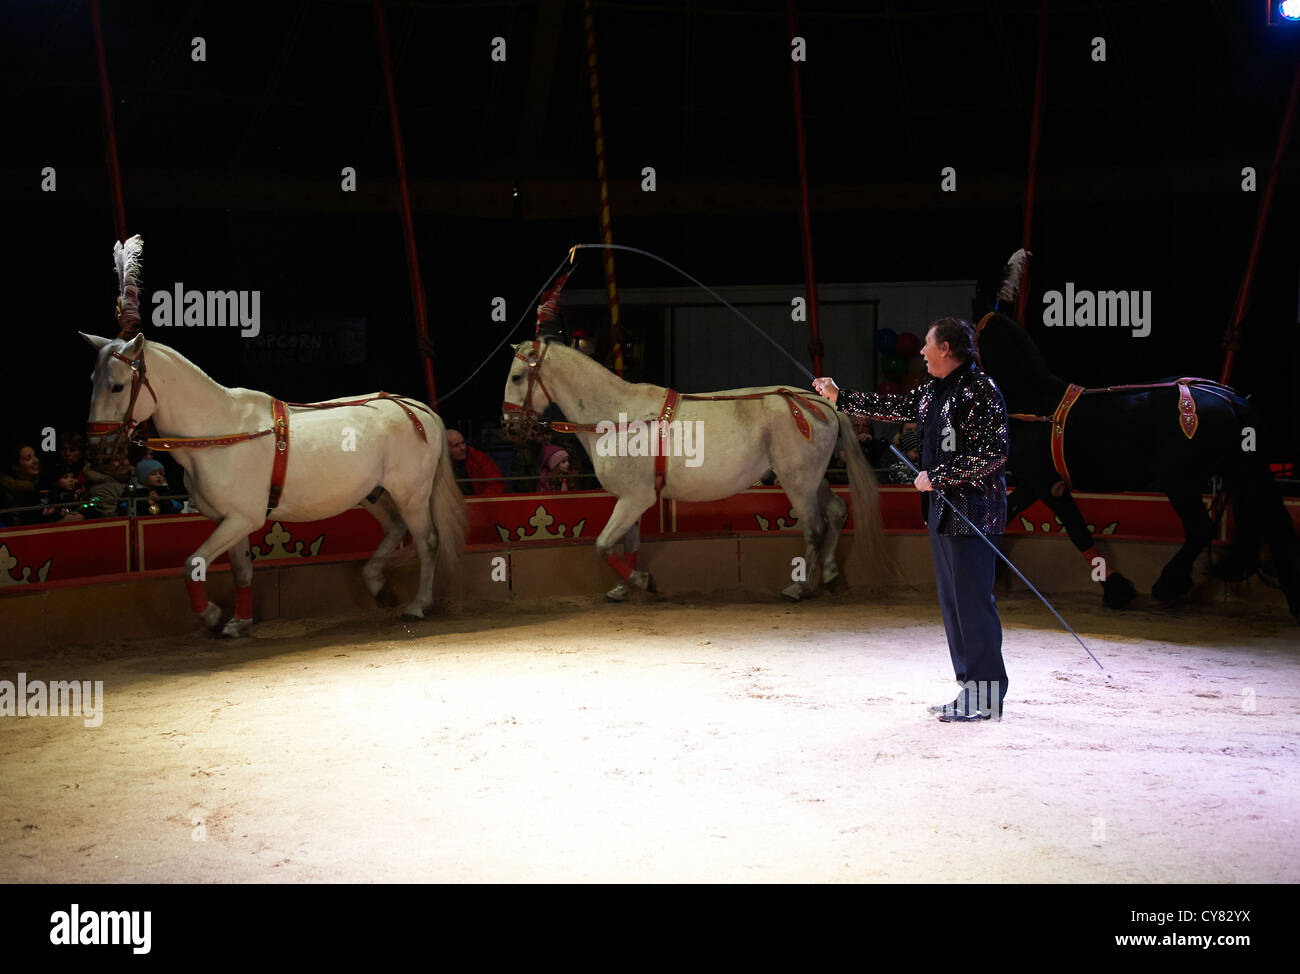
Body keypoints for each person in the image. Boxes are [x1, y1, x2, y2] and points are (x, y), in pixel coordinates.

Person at [814, 317, 1010, 722]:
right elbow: (892, 406)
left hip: (973, 515)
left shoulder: (981, 391)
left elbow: (993, 455)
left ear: (947, 350)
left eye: (927, 344)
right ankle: (969, 689)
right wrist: (840, 397)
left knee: (973, 605)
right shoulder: (933, 391)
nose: (921, 351)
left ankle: (987, 694)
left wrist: (937, 477)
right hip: (941, 514)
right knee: (954, 606)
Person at [446, 430, 505, 496]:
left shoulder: (478, 458)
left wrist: (481, 501)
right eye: (456, 446)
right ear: (446, 449)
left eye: (463, 443)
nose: (463, 448)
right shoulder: (439, 464)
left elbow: (496, 484)